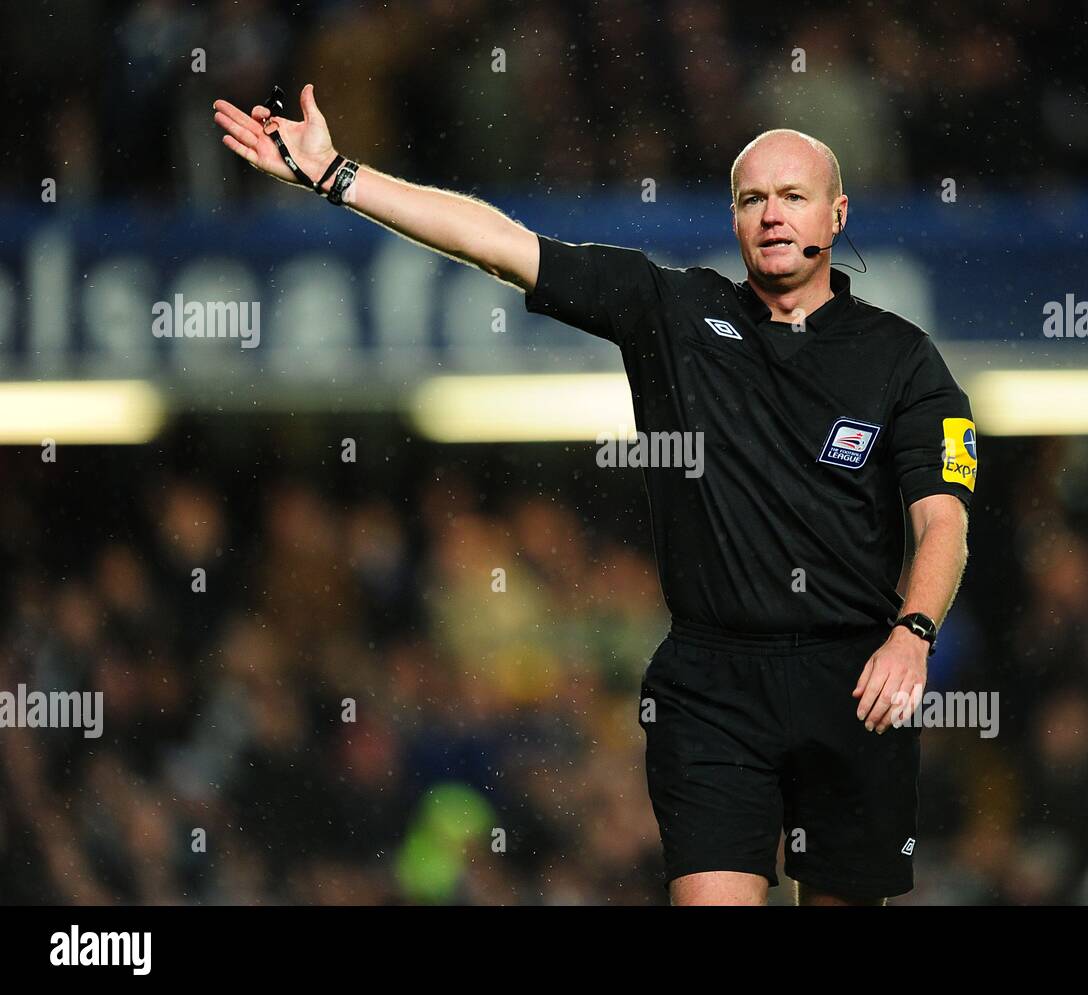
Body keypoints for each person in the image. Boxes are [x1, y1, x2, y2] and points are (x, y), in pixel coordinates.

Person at [213, 84, 977, 906]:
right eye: (752, 198)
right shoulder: (675, 313)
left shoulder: (903, 361)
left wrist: (913, 633)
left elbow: (943, 522)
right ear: (733, 218)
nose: (772, 215)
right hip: (711, 686)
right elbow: (503, 245)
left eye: (794, 196)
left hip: (853, 678)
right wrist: (338, 176)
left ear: (837, 214)